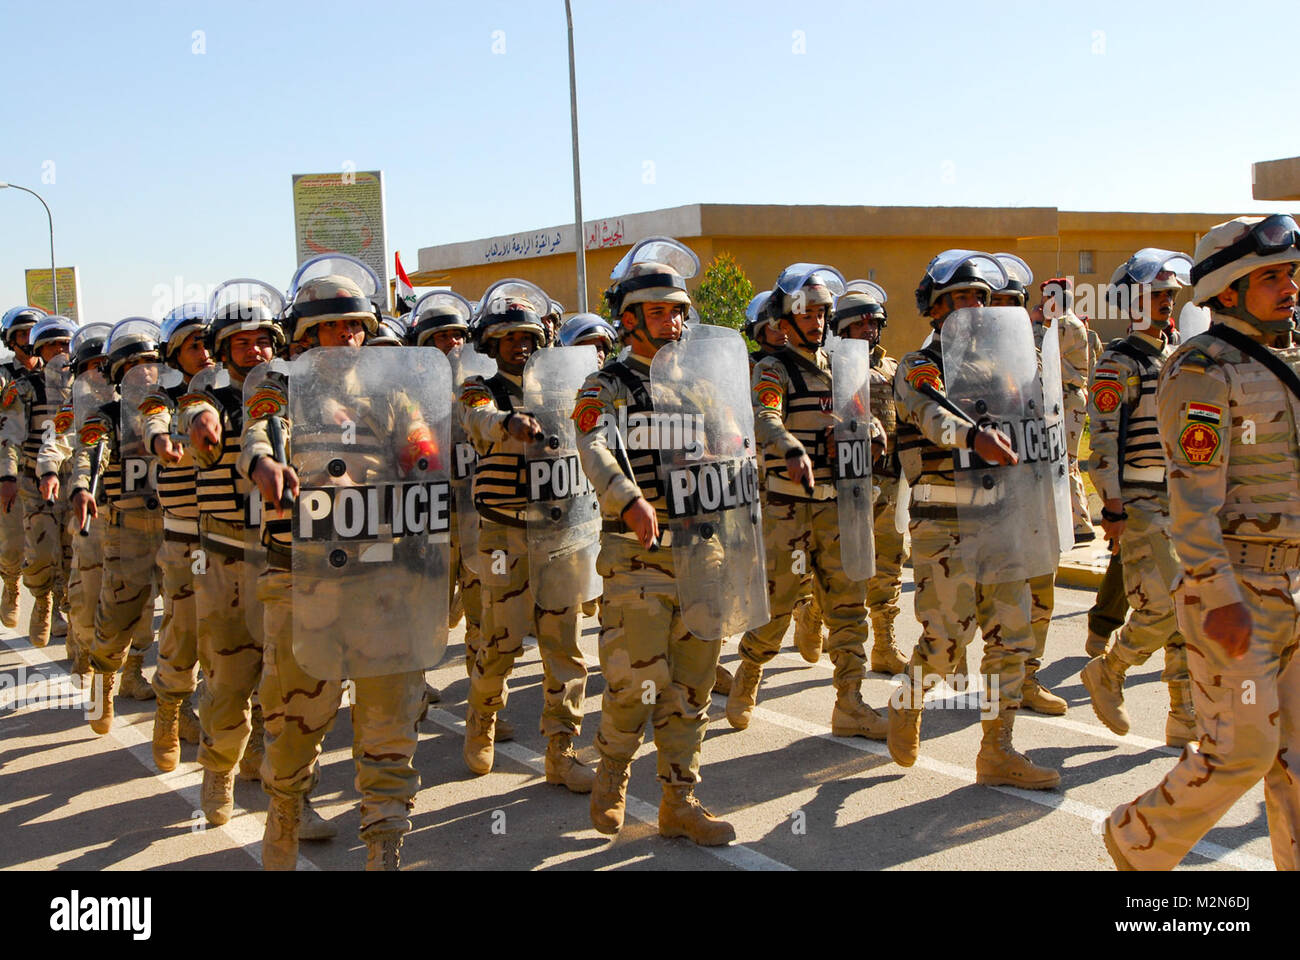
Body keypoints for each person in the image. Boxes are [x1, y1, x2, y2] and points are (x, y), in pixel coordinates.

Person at [1105, 215, 1300, 870]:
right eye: (1271, 276)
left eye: (1291, 274)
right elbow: (1193, 502)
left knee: (1297, 758)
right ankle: (1137, 839)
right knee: (1240, 751)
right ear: (1230, 288)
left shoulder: (1286, 362)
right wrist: (1219, 596)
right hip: (1238, 592)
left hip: (1292, 585)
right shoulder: (1199, 369)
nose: (1290, 287)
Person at [245, 256, 436, 869]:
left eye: (356, 326)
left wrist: (430, 471)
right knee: (295, 721)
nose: (349, 338)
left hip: (382, 577)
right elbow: (260, 426)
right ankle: (284, 815)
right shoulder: (278, 382)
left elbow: (423, 452)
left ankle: (384, 845)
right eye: (333, 328)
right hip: (303, 580)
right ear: (305, 334)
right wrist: (264, 464)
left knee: (388, 726)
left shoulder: (391, 392)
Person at [576, 238, 737, 845]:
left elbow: (732, 448)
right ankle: (612, 771)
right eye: (662, 311)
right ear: (631, 319)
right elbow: (593, 446)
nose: (675, 321)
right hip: (636, 556)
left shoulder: (699, 385)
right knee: (635, 685)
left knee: (691, 689)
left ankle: (679, 800)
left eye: (679, 311)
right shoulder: (606, 385)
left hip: (704, 552)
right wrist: (629, 498)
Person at [888, 250, 1060, 789]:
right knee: (944, 644)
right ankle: (908, 701)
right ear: (936, 309)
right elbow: (932, 415)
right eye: (958, 298)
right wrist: (971, 436)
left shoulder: (1011, 367)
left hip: (1004, 520)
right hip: (945, 523)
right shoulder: (920, 366)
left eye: (979, 298)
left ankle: (998, 749)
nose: (971, 307)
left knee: (1012, 638)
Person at [727, 263, 889, 741]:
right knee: (778, 605)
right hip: (787, 509)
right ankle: (749, 674)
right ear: (784, 320)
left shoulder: (842, 370)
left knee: (847, 605)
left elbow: (861, 417)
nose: (816, 322)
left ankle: (851, 703)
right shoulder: (773, 369)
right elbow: (765, 417)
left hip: (839, 506)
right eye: (806, 313)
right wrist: (789, 446)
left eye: (822, 313)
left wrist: (872, 433)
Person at [458, 279, 593, 793]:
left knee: (565, 646)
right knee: (501, 642)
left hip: (559, 533)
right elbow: (477, 419)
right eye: (510, 337)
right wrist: (506, 422)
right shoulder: (479, 387)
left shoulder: (561, 387)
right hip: (504, 535)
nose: (521, 344)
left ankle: (562, 749)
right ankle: (483, 718)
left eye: (529, 335)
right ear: (491, 344)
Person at [1081, 249, 1198, 748]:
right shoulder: (1118, 360)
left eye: (1171, 295)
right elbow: (1103, 437)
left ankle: (1183, 715)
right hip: (1141, 499)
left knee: (1190, 609)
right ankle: (1109, 671)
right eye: (1156, 296)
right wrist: (1111, 506)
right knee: (1164, 608)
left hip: (1185, 500)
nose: (1166, 304)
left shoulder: (1180, 355)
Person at [71, 319, 166, 730]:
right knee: (118, 615)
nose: (146, 370)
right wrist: (80, 486)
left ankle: (172, 707)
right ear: (119, 371)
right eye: (136, 364)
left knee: (181, 624)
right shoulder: (105, 415)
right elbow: (89, 453)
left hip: (175, 528)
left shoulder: (174, 406)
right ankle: (105, 679)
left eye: (151, 362)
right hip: (126, 528)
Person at [989, 255, 1068, 715]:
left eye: (1014, 303)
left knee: (1042, 594)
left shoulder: (1039, 356)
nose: (1006, 312)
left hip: (1036, 495)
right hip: (990, 503)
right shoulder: (961, 360)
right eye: (997, 304)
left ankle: (1028, 678)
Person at [138, 303, 212, 770]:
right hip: (186, 537)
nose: (204, 354)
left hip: (239, 537)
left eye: (208, 344)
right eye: (193, 346)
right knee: (184, 632)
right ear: (174, 355)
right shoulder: (162, 398)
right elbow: (153, 423)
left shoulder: (236, 395)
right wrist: (162, 441)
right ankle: (171, 709)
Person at [834, 279, 911, 676]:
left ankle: (883, 644)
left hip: (890, 480)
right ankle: (813, 617)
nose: (869, 328)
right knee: (842, 569)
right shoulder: (831, 367)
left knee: (889, 567)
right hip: (849, 484)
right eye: (861, 322)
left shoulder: (893, 367)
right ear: (843, 328)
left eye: (874, 322)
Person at [0, 315, 78, 645]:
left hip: (76, 482)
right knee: (43, 551)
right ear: (40, 349)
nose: (60, 350)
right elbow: (10, 435)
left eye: (65, 344)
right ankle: (41, 598)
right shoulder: (24, 388)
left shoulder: (87, 385)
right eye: (52, 345)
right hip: (34, 483)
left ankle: (73, 625)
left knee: (75, 554)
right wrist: (7, 476)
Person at [0, 306, 45, 628]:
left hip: (55, 471)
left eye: (33, 333)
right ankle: (11, 584)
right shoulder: (4, 376)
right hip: (12, 468)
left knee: (56, 548)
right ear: (10, 340)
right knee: (14, 544)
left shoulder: (58, 373)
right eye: (21, 334)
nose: (28, 340)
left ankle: (51, 606)